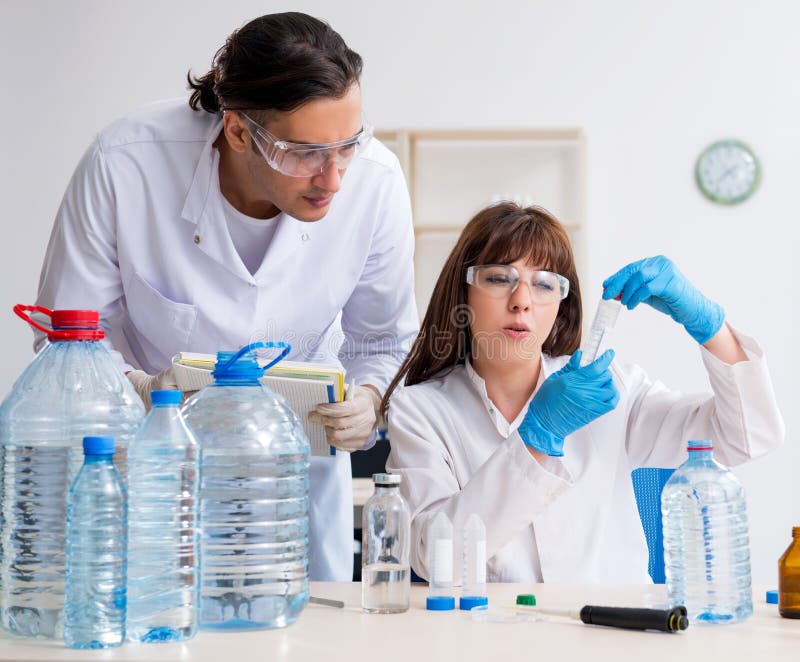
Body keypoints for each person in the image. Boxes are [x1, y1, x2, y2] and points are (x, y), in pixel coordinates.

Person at [34, 12, 419, 581]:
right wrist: (139, 391)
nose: (334, 178)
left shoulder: (376, 184)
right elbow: (62, 341)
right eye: (307, 153)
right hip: (154, 472)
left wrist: (369, 398)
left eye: (348, 145)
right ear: (239, 131)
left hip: (297, 479)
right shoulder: (126, 164)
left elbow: (384, 340)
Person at [384, 202, 784, 583]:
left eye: (544, 284)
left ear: (562, 304)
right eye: (499, 278)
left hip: (611, 633)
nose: (521, 301)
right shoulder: (421, 411)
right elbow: (434, 557)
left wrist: (711, 328)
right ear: (463, 292)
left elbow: (746, 438)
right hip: (491, 634)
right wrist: (537, 438)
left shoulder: (611, 389)